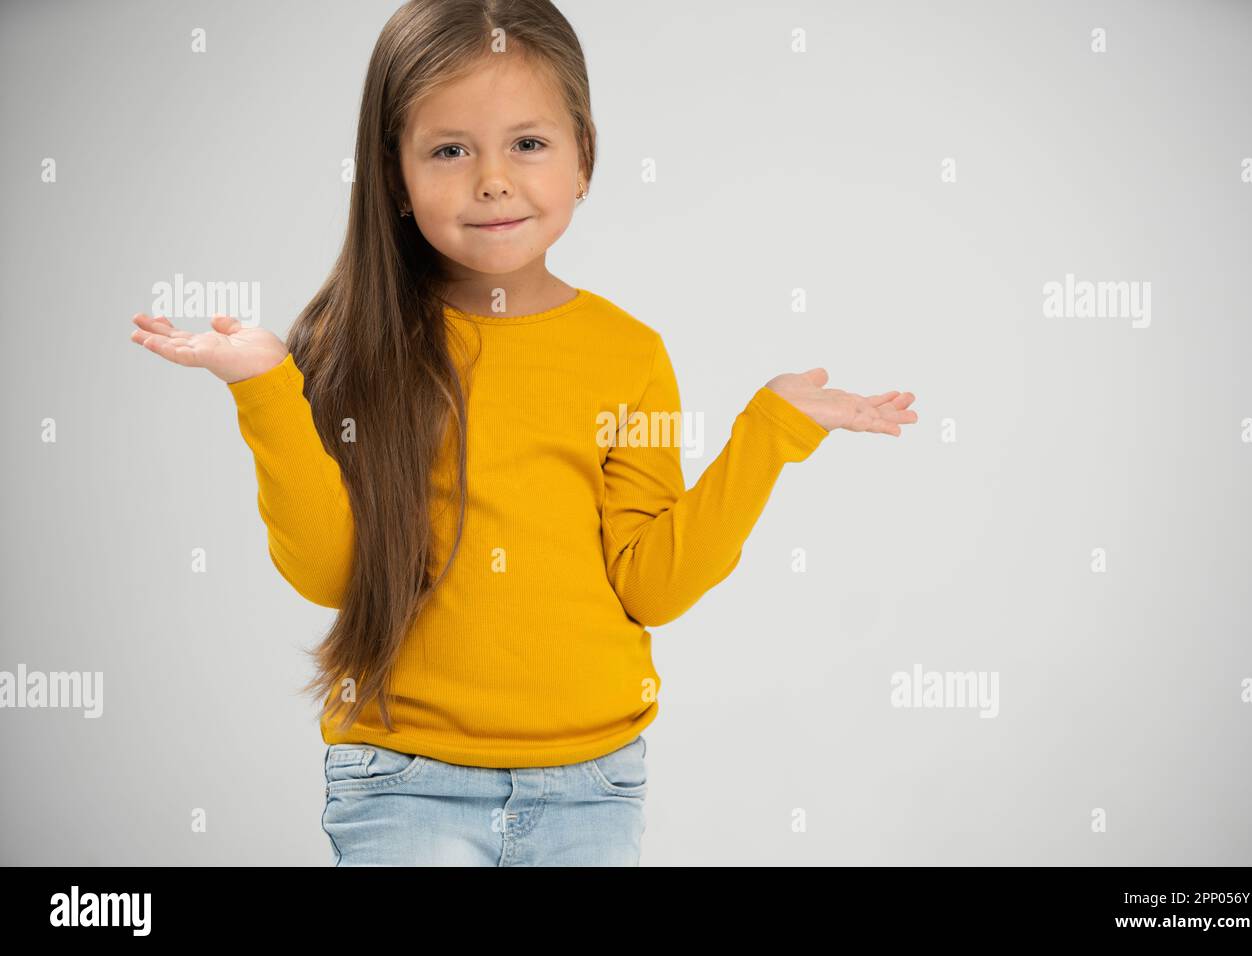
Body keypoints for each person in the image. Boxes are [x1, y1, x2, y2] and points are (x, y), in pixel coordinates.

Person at [127, 0, 917, 866]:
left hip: (593, 786)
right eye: (450, 150)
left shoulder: (629, 354)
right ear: (394, 176)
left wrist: (767, 435)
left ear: (585, 156)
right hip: (402, 782)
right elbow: (328, 573)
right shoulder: (355, 345)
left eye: (528, 144)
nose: (493, 180)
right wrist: (265, 390)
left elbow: (649, 586)